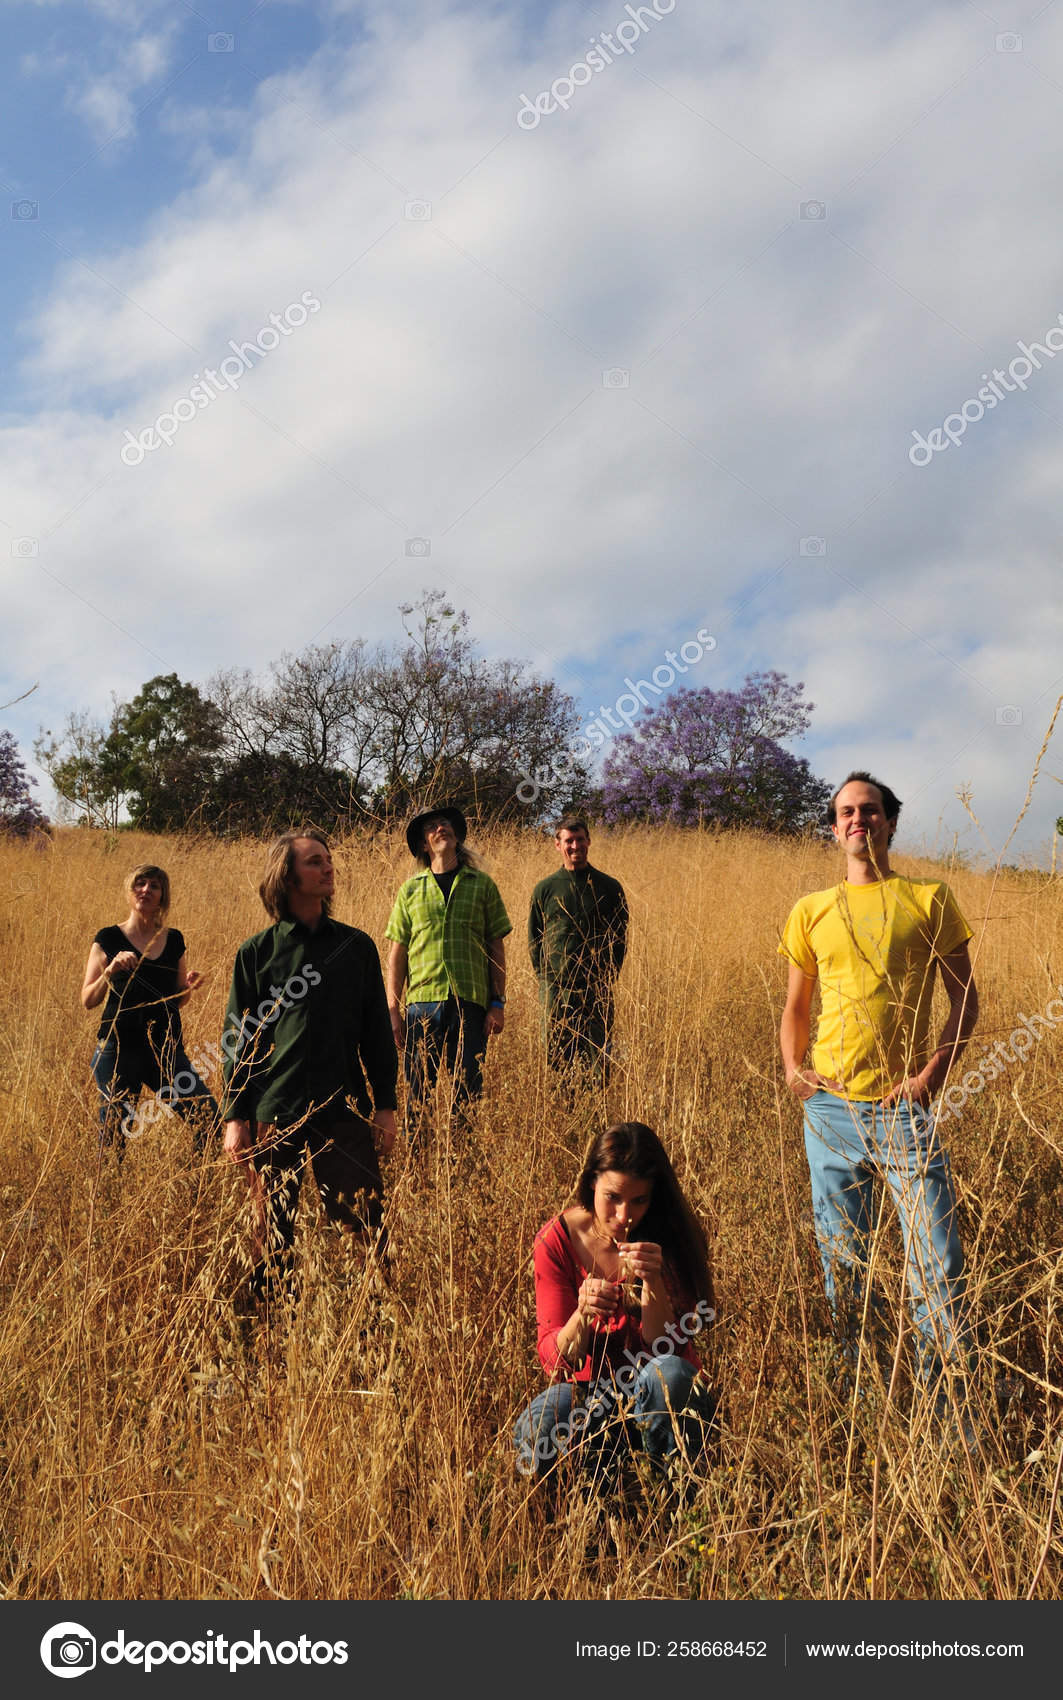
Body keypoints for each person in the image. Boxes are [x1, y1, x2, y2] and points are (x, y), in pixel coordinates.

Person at [779, 771, 979, 1392]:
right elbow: (795, 1007)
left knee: (937, 1262)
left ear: (891, 821)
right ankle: (858, 1398)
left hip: (904, 1112)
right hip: (831, 1111)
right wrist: (793, 1069)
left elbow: (966, 997)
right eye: (845, 812)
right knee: (845, 1266)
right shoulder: (810, 910)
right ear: (835, 826)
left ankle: (944, 1408)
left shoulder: (929, 897)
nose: (857, 820)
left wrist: (931, 1075)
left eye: (869, 810)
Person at [221, 830, 397, 1302]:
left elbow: (377, 1033)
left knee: (363, 1227)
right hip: (274, 1111)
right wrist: (235, 1117)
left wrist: (385, 1106)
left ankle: (374, 1326)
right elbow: (239, 1041)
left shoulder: (357, 947)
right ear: (288, 875)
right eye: (315, 862)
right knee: (269, 1228)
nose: (328, 868)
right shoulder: (256, 953)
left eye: (328, 860)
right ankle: (270, 1327)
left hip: (344, 1109)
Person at [514, 1122, 716, 1482]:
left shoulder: (669, 1234)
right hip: (590, 1395)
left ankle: (674, 1495)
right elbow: (554, 1360)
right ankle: (572, 1520)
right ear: (592, 1181)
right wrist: (583, 1314)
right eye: (613, 1198)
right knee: (538, 1430)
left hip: (658, 1391)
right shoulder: (556, 1240)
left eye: (639, 1200)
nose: (625, 1216)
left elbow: (667, 1348)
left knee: (668, 1376)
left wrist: (653, 1281)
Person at [386, 805, 510, 1125]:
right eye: (432, 827)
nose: (441, 828)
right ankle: (419, 1168)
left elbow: (496, 946)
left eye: (445, 824)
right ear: (425, 845)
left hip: (470, 1004)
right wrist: (392, 1011)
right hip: (420, 1008)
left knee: (466, 1096)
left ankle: (459, 1167)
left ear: (456, 837)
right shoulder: (410, 890)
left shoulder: (482, 885)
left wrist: (497, 1003)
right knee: (418, 1097)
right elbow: (397, 953)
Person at [81, 863, 216, 1156]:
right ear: (130, 891)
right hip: (118, 1049)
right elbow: (88, 1000)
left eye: (154, 885)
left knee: (209, 1120)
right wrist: (110, 972)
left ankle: (193, 1191)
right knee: (113, 1140)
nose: (146, 890)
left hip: (165, 1049)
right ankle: (107, 1198)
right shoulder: (108, 938)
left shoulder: (174, 940)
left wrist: (187, 988)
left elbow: (177, 1000)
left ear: (162, 896)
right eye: (140, 883)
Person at [528, 816, 628, 1083]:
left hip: (596, 991)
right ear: (557, 845)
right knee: (558, 1063)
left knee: (598, 1064)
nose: (575, 846)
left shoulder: (609, 887)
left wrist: (605, 977)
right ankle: (564, 1114)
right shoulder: (545, 889)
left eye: (580, 839)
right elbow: (535, 939)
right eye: (568, 841)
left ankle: (594, 1118)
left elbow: (619, 940)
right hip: (556, 992)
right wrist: (547, 980)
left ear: (589, 842)